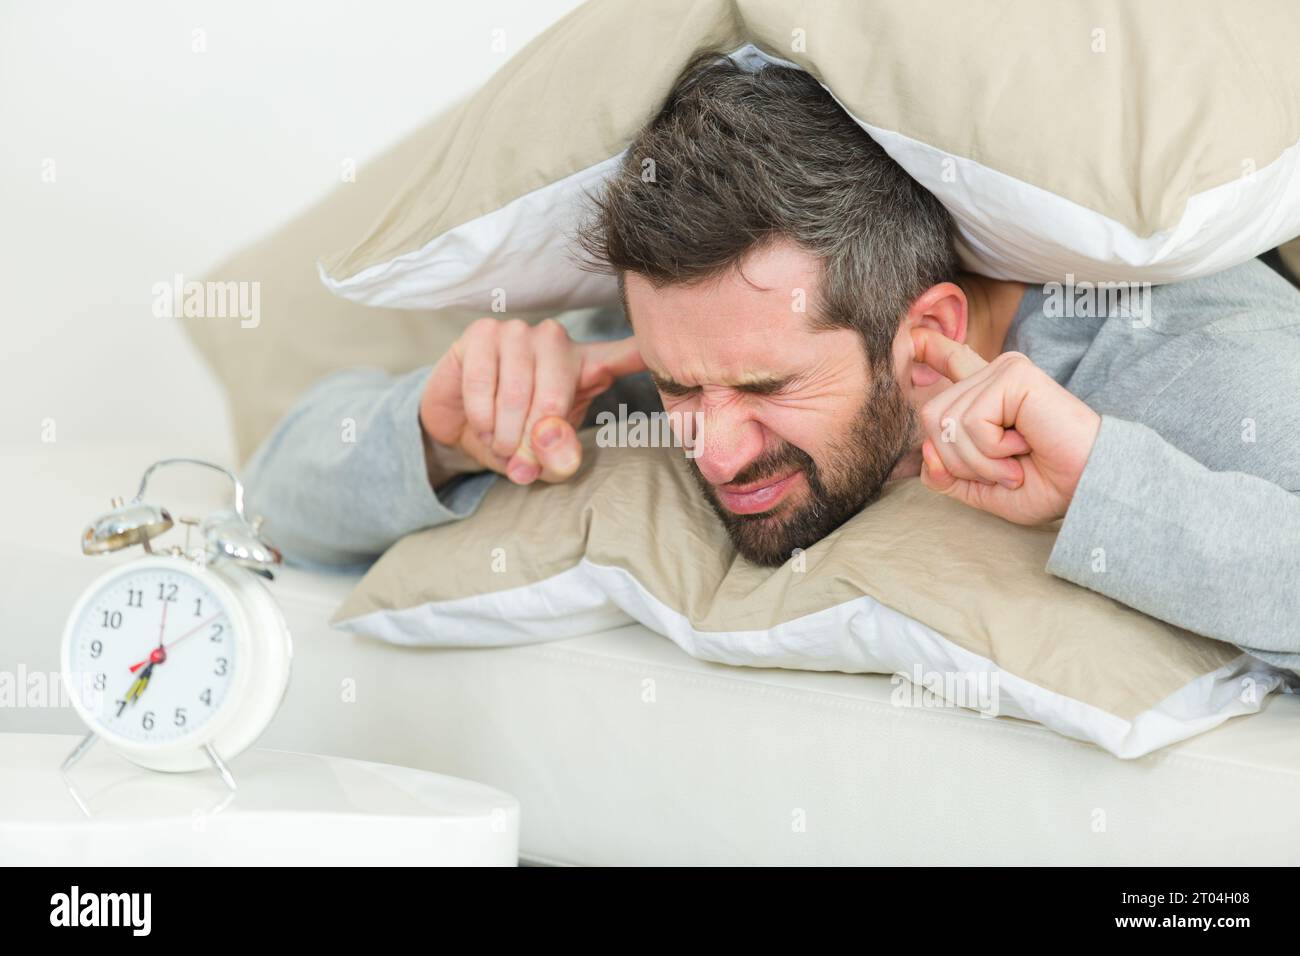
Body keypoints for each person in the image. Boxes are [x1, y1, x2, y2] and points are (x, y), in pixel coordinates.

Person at [246, 53, 1300, 671]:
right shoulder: (702, 314)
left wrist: (1106, 491)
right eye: (680, 385)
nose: (710, 447)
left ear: (926, 328)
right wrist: (440, 429)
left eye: (765, 388)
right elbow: (277, 492)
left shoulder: (1181, 356)